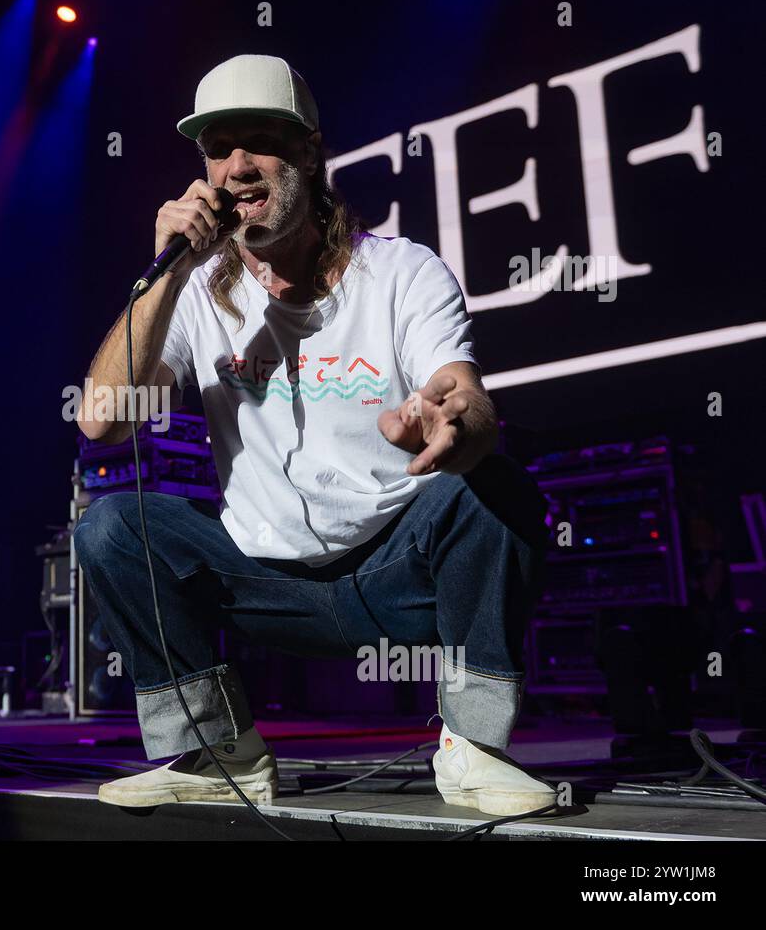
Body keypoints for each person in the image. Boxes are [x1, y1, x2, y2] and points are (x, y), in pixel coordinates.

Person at [73, 55, 553, 816]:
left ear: (308, 150)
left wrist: (454, 424)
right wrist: (166, 273)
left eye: (259, 140)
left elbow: (468, 397)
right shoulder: (196, 293)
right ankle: (218, 752)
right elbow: (102, 418)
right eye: (217, 149)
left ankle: (473, 747)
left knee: (494, 486)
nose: (235, 167)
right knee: (110, 528)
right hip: (262, 578)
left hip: (401, 568)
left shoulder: (400, 271)